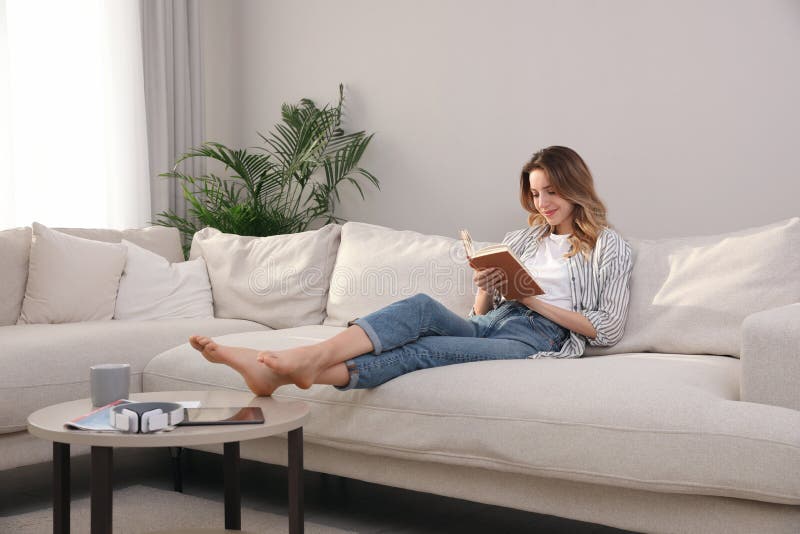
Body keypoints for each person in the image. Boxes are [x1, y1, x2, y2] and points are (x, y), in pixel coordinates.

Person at [189, 145, 633, 395]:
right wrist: (487, 286)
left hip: (535, 339)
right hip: (494, 324)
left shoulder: (609, 246)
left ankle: (289, 370)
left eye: (551, 192)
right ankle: (310, 358)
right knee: (421, 308)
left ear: (576, 188)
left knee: (422, 351)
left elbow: (607, 329)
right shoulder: (523, 239)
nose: (542, 204)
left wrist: (530, 299)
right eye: (536, 194)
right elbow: (480, 316)